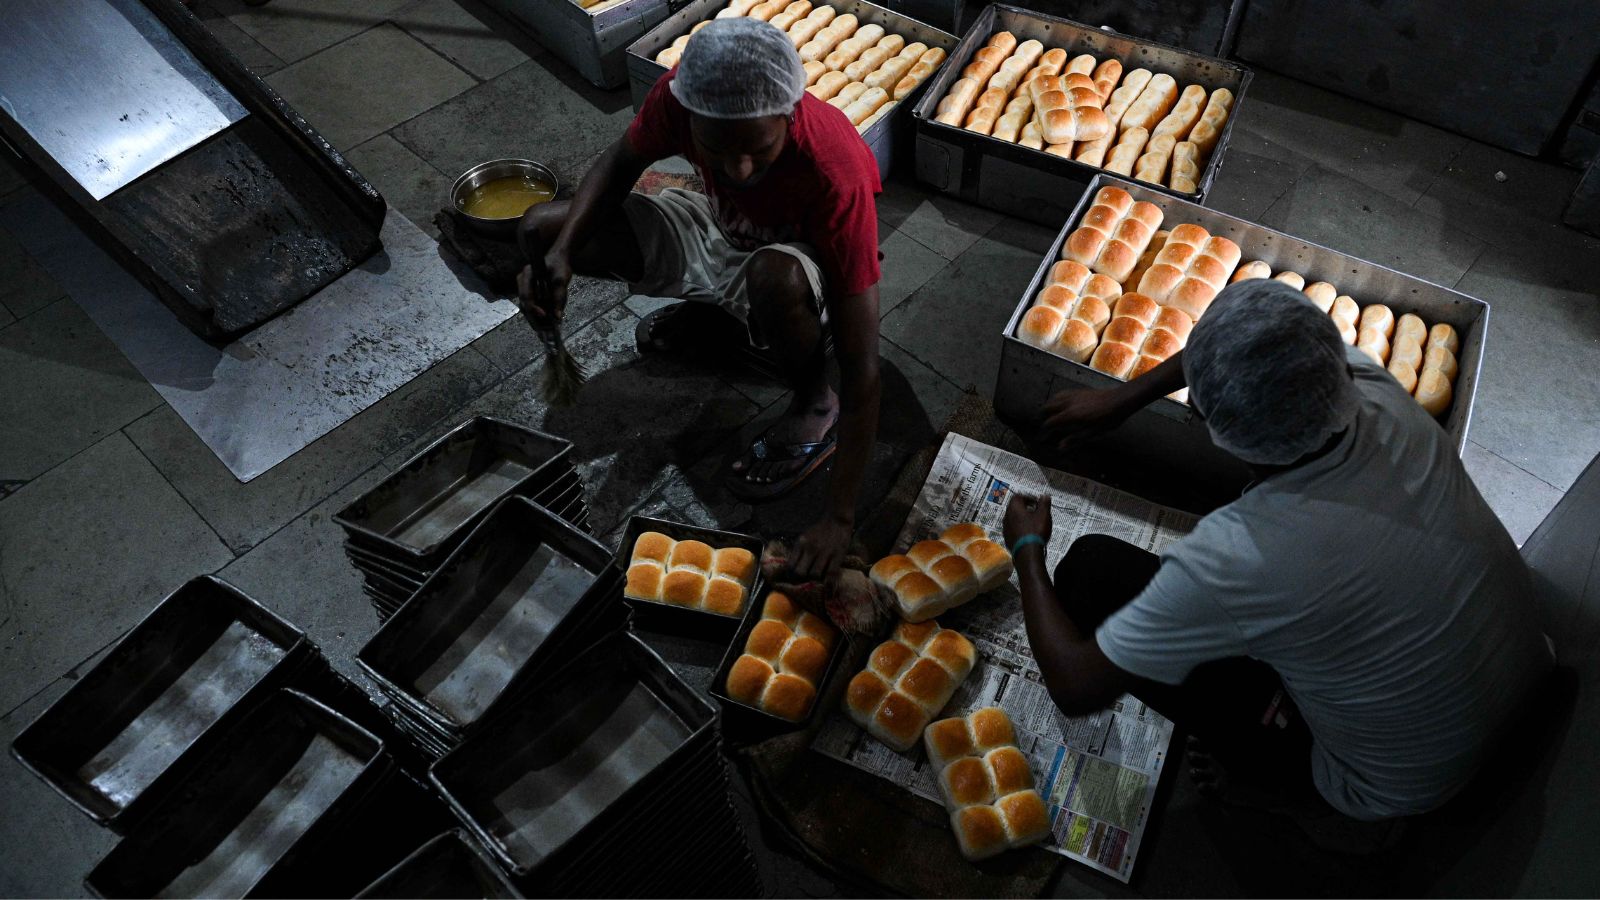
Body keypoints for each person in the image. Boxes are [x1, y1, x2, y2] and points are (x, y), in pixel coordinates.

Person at [1000, 279, 1553, 850]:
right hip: (1522, 682)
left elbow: (1074, 683)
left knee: (1090, 573)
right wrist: (1123, 398)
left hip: (1396, 783)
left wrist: (1027, 549)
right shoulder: (1370, 390)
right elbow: (1250, 349)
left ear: (1222, 434)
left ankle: (1291, 796)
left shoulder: (1244, 554)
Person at [515, 17, 882, 580]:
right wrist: (562, 253)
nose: (738, 169)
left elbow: (863, 367)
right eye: (717, 148)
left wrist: (840, 516)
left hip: (796, 266)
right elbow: (618, 165)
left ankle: (813, 402)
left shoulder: (836, 170)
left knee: (774, 280)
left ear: (790, 113)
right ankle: (722, 320)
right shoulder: (679, 97)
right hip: (718, 227)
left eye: (759, 150)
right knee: (539, 228)